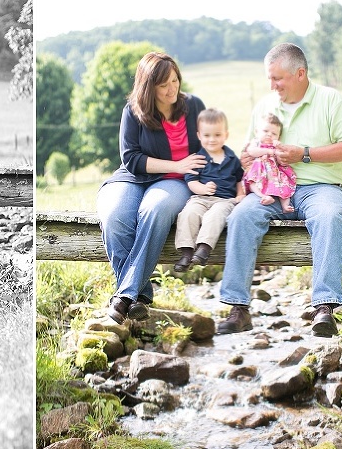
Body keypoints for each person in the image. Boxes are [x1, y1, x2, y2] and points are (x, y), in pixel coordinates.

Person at [218, 43, 342, 338]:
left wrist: (303, 154)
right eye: (269, 79)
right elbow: (247, 151)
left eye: (278, 78)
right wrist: (248, 161)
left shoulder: (330, 100)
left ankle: (324, 308)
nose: (272, 85)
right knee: (241, 216)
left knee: (330, 215)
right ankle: (238, 308)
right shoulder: (264, 106)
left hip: (319, 187)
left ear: (300, 73)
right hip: (270, 189)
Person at [97, 52, 207, 324]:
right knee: (114, 217)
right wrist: (177, 163)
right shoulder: (133, 111)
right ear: (148, 87)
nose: (172, 89)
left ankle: (123, 296)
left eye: (175, 81)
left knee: (154, 210)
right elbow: (131, 159)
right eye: (163, 85)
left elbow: (209, 147)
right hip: (133, 177)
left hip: (177, 181)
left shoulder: (194, 106)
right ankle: (139, 296)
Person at [173, 108, 245, 272]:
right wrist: (203, 188)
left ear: (226, 135)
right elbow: (191, 181)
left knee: (215, 215)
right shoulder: (197, 158)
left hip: (224, 200)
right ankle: (186, 252)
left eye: (217, 135)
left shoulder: (232, 159)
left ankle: (204, 249)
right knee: (188, 213)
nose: (212, 140)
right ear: (199, 136)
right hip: (200, 198)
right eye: (207, 135)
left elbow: (239, 179)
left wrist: (240, 194)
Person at [242, 113, 296, 212]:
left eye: (274, 133)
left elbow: (282, 159)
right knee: (251, 182)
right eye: (265, 131)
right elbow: (252, 151)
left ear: (279, 137)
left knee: (284, 184)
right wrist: (269, 151)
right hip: (258, 172)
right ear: (256, 132)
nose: (269, 134)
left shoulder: (276, 146)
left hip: (274, 173)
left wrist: (279, 149)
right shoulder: (256, 142)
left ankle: (285, 206)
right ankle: (263, 196)